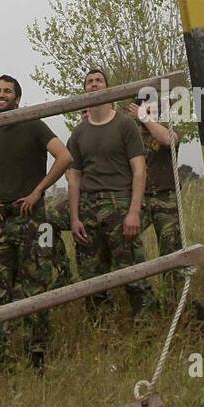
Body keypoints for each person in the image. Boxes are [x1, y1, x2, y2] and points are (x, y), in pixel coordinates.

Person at [0, 75, 71, 374]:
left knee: (35, 287)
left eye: (7, 91)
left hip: (32, 219)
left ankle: (37, 355)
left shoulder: (33, 123)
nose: (1, 94)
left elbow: (64, 156)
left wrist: (38, 191)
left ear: (17, 98)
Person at [67, 74, 154, 321]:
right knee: (91, 274)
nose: (94, 84)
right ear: (84, 90)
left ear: (108, 88)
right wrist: (74, 218)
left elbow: (139, 170)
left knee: (132, 269)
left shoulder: (125, 124)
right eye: (89, 82)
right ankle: (100, 326)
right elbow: (74, 178)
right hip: (88, 205)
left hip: (119, 202)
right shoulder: (78, 133)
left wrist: (134, 212)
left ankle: (145, 322)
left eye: (99, 81)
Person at [134, 91, 186, 306]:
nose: (150, 108)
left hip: (166, 198)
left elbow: (168, 140)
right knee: (128, 244)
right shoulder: (131, 134)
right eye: (145, 105)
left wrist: (145, 118)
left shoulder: (167, 128)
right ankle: (145, 300)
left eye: (153, 106)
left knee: (171, 250)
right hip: (140, 200)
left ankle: (175, 303)